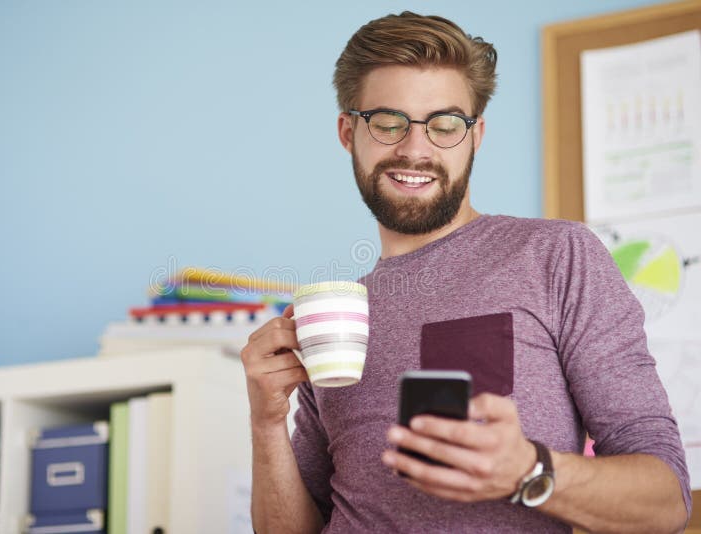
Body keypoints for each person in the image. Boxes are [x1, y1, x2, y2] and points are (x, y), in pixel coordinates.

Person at [239, 11, 691, 533]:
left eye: (445, 125)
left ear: (475, 136)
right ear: (348, 132)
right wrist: (266, 422)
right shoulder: (336, 322)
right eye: (388, 123)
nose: (415, 149)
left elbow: (667, 502)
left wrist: (528, 470)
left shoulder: (557, 257)